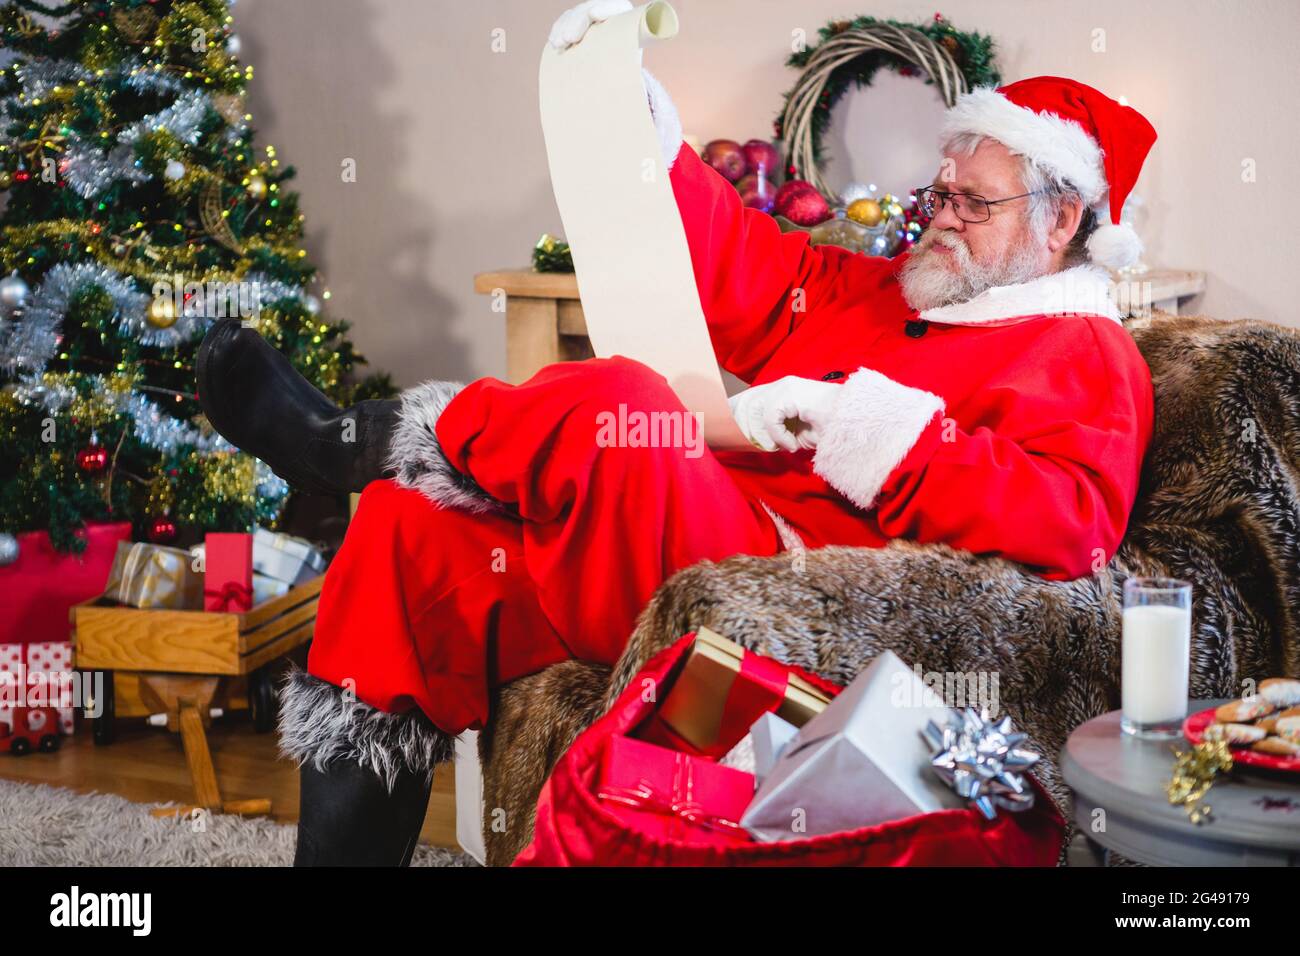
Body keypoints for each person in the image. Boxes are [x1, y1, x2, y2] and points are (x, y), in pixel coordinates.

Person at [196, 0, 1156, 865]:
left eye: (972, 203)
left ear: (1063, 218)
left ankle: (348, 445)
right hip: (671, 564)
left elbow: (1071, 518)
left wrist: (866, 428)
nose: (939, 220)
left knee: (632, 408)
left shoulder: (1088, 355)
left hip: (785, 605)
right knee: (409, 530)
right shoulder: (888, 290)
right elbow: (753, 270)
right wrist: (646, 139)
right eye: (939, 194)